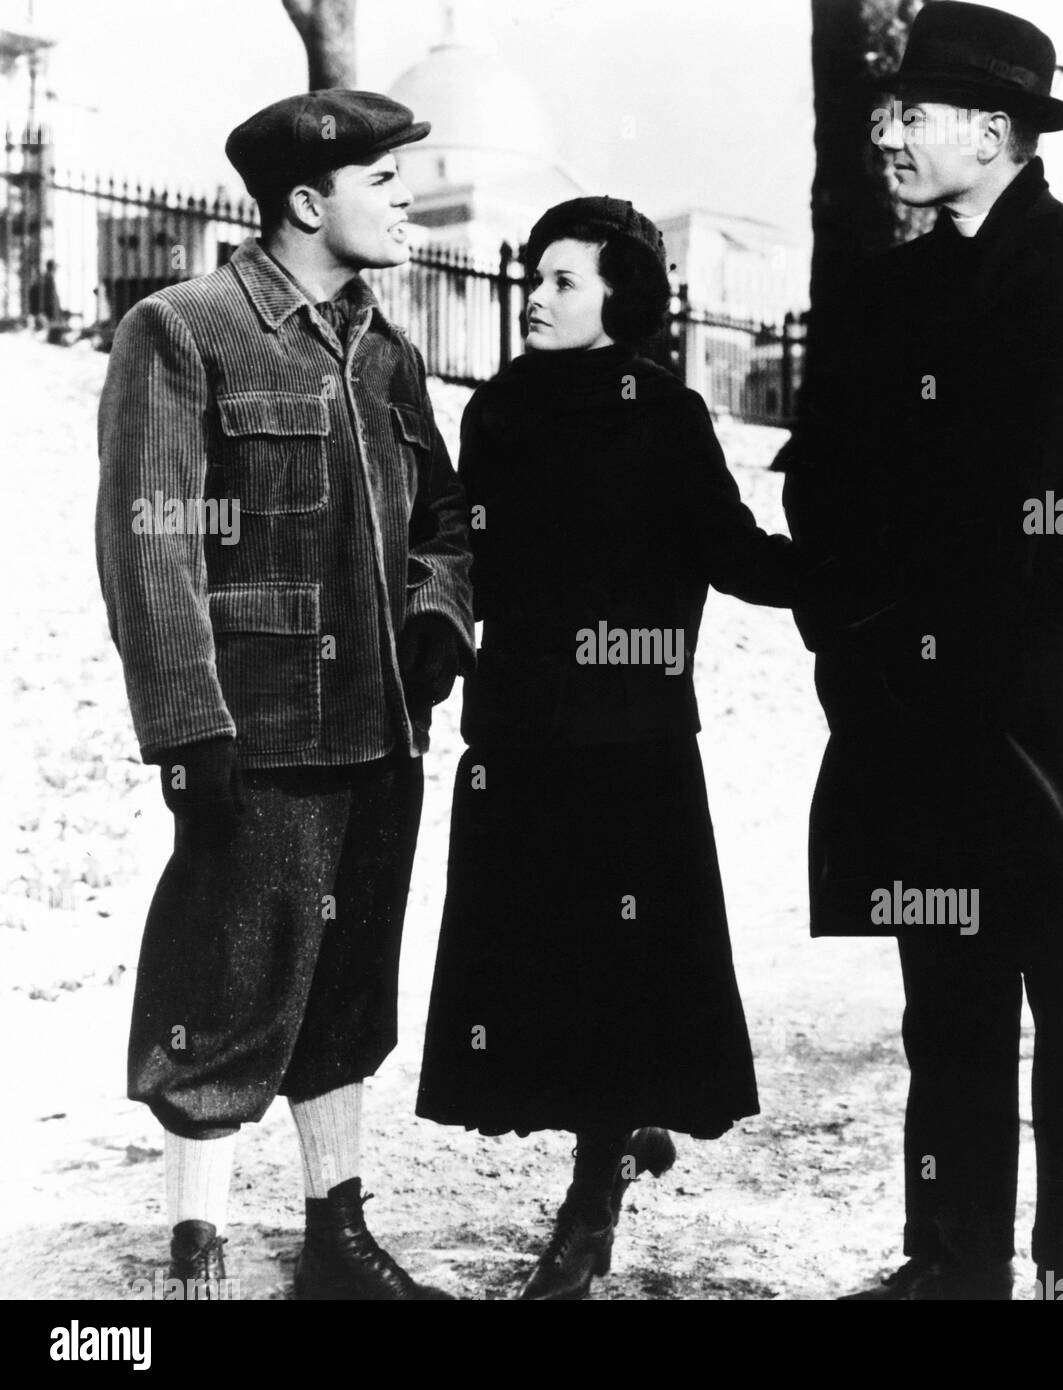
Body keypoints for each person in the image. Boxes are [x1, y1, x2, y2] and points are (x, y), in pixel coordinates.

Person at [783, 2, 1063, 1300]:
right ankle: (952, 1263)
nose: (889, 131)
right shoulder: (876, 291)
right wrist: (850, 639)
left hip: (1049, 724)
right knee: (948, 1007)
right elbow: (822, 484)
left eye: (913, 112)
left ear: (997, 129)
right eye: (883, 109)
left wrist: (1050, 644)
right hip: (907, 716)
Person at [96, 90, 475, 1301]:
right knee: (224, 987)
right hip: (254, 736)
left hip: (381, 733)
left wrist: (437, 613)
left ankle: (338, 1237)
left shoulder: (390, 351)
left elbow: (451, 522)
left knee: (349, 988)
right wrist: (189, 725)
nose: (407, 195)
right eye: (384, 178)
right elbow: (151, 541)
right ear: (310, 202)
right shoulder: (185, 328)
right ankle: (197, 1244)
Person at [415, 195, 802, 1300]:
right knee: (550, 964)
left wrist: (852, 574)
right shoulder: (495, 411)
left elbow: (728, 551)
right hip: (521, 734)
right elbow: (462, 550)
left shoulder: (666, 414)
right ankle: (610, 1130)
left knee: (620, 967)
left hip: (630, 739)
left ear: (618, 298)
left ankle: (592, 1198)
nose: (535, 293)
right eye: (534, 275)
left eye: (563, 280)